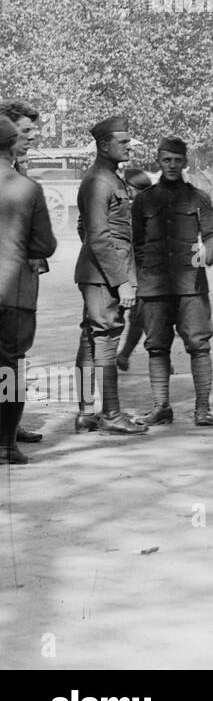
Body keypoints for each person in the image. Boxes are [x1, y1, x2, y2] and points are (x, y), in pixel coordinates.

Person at [132, 137, 213, 427]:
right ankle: (161, 406)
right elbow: (136, 245)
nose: (172, 165)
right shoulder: (144, 200)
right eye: (166, 160)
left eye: (177, 160)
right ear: (158, 161)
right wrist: (137, 283)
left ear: (185, 162)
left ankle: (202, 408)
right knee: (157, 346)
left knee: (199, 345)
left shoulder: (198, 198)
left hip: (190, 286)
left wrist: (208, 253)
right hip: (155, 285)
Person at [73, 116, 146, 435]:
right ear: (104, 146)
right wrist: (121, 280)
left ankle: (87, 412)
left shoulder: (107, 178)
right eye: (123, 142)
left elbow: (86, 230)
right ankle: (111, 414)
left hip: (98, 272)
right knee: (105, 339)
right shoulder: (99, 181)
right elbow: (99, 236)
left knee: (91, 339)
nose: (129, 145)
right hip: (104, 275)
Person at [0, 115, 57, 463]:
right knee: (9, 369)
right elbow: (45, 245)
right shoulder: (27, 188)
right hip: (16, 294)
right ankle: (6, 446)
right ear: (11, 146)